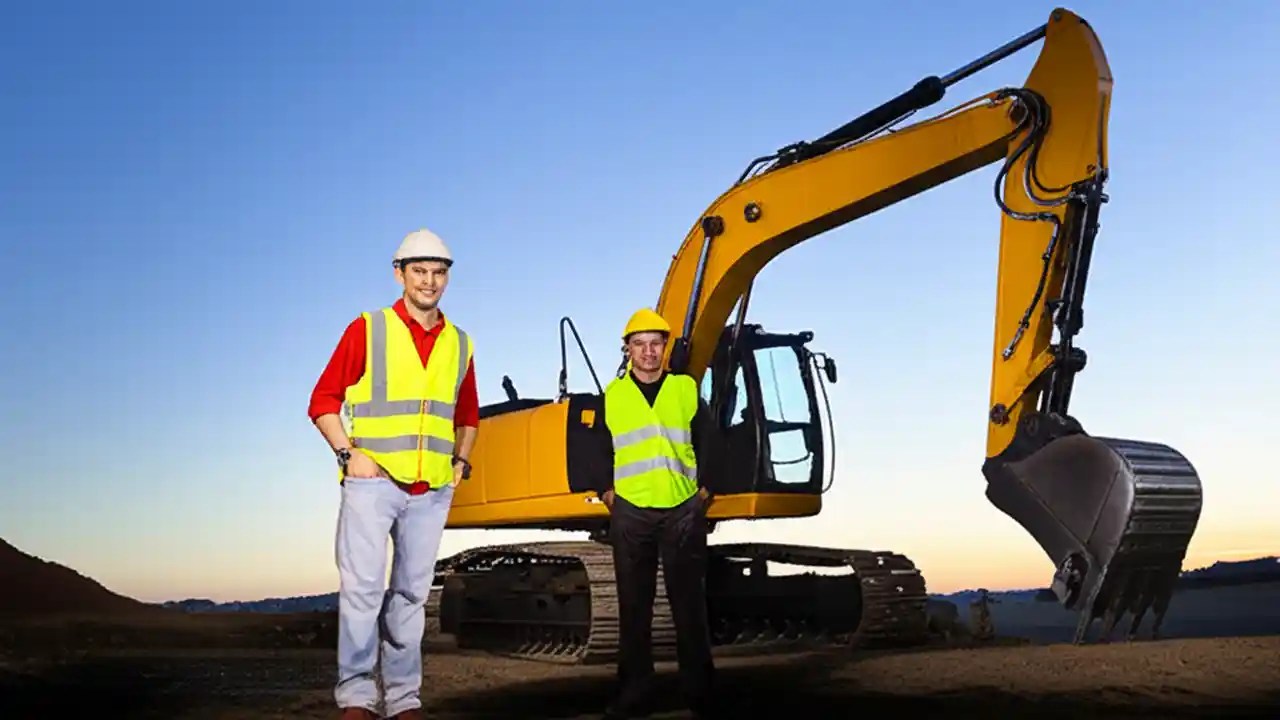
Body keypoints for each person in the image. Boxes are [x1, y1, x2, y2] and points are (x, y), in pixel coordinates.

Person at [308, 228, 479, 720]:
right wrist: (347, 454)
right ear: (398, 273)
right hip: (373, 481)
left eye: (438, 272)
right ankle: (358, 698)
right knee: (362, 591)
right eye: (419, 271)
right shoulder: (369, 328)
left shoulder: (460, 343)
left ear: (447, 278)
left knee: (410, 597)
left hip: (431, 490)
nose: (429, 281)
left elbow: (467, 414)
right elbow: (322, 401)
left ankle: (403, 701)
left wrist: (460, 462)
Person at [598, 307, 720, 720]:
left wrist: (706, 490)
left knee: (689, 607)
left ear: (665, 348)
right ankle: (634, 695)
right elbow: (599, 446)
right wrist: (606, 492)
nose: (649, 352)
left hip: (681, 510)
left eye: (656, 344)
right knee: (634, 609)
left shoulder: (685, 389)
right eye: (640, 344)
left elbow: (709, 439)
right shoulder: (613, 395)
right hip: (631, 511)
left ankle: (701, 695)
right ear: (628, 350)